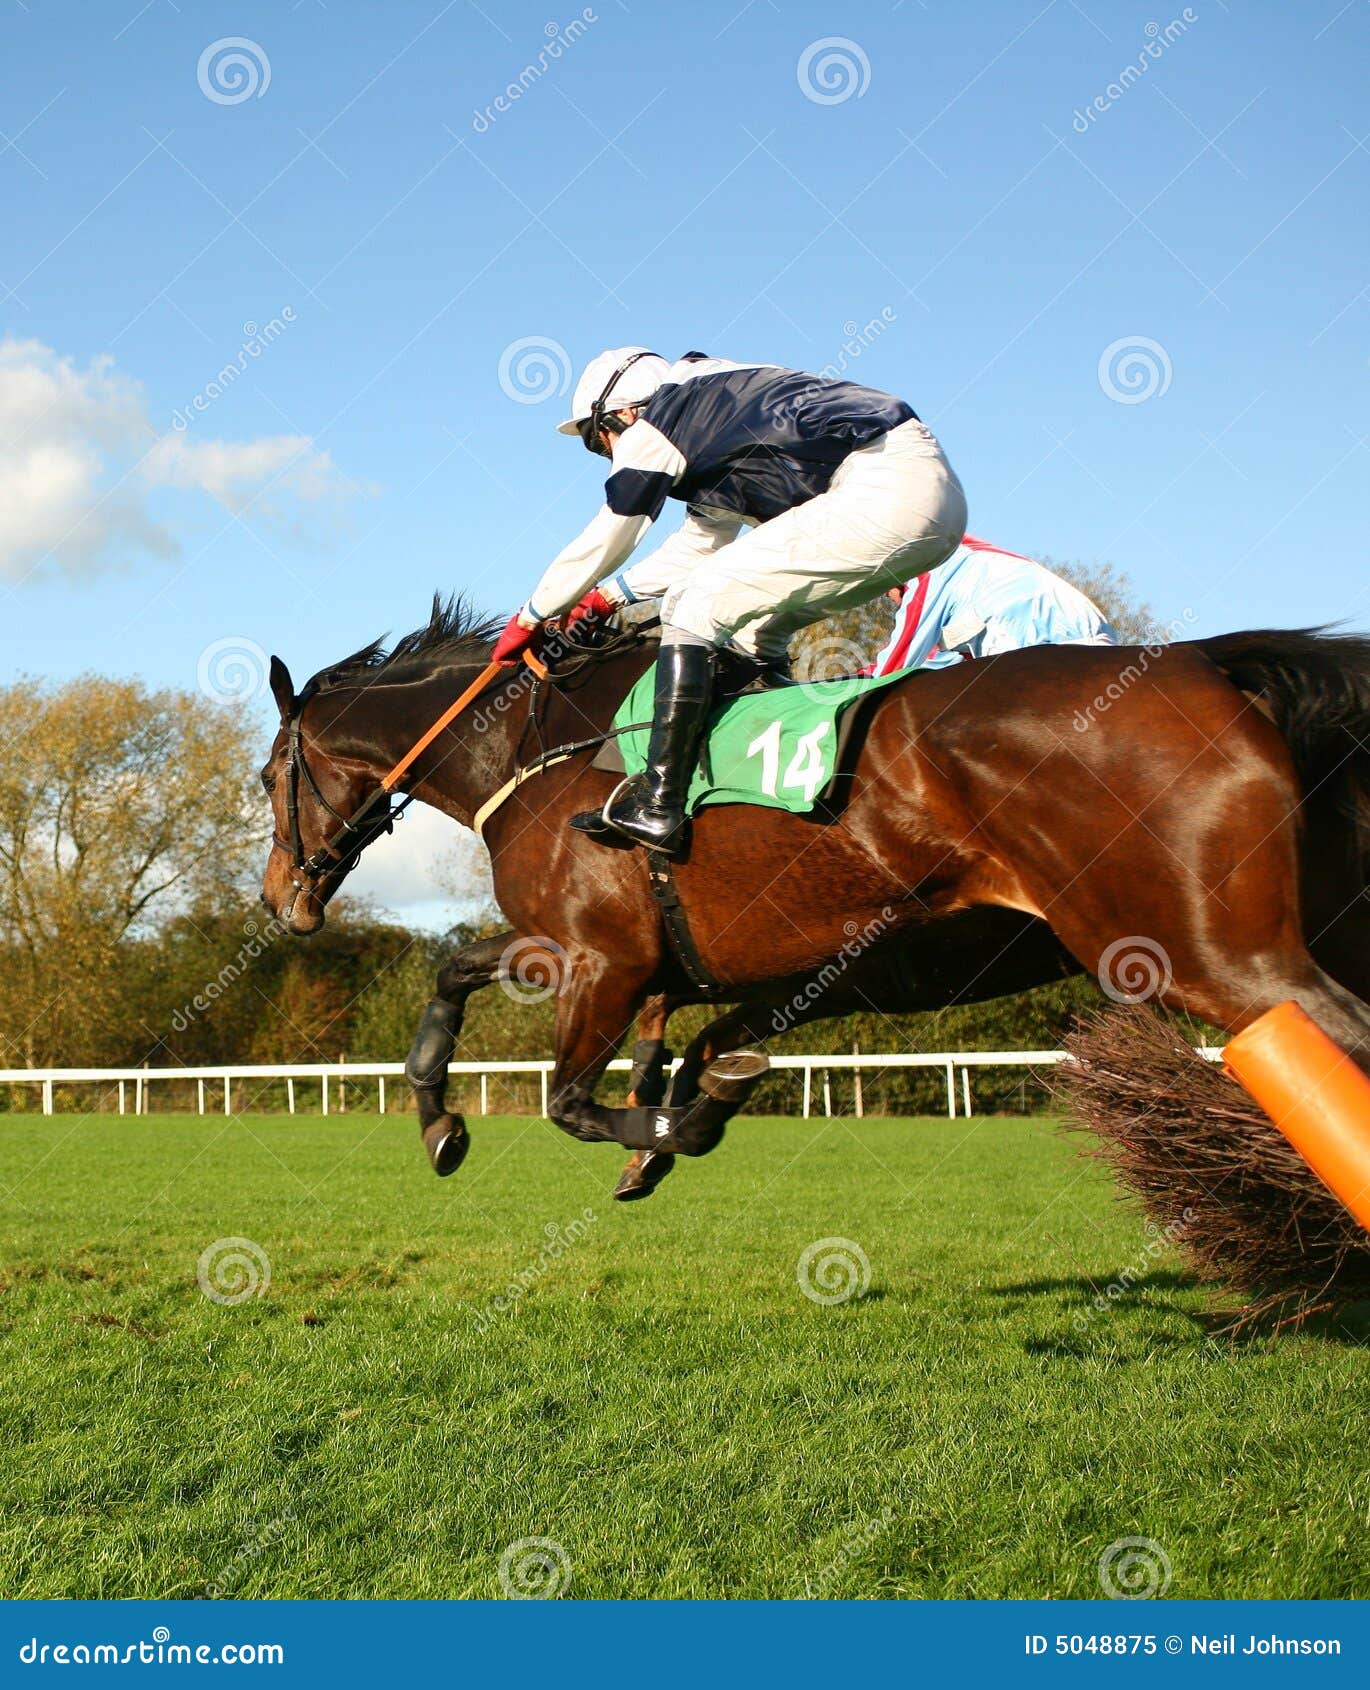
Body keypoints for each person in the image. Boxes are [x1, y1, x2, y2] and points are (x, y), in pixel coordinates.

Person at [492, 347, 966, 857]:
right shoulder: (708, 413)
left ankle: (659, 801)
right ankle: (763, 788)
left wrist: (533, 613)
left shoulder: (660, 421)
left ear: (621, 413)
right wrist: (606, 598)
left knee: (692, 605)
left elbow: (616, 527)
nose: (607, 452)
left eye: (596, 439)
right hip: (930, 504)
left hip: (880, 493)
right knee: (754, 629)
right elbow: (701, 543)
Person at [868, 535, 1117, 675]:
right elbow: (942, 662)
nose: (894, 602)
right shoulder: (966, 563)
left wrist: (852, 686)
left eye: (885, 593)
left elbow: (896, 663)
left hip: (1041, 650)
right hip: (1097, 642)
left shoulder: (930, 572)